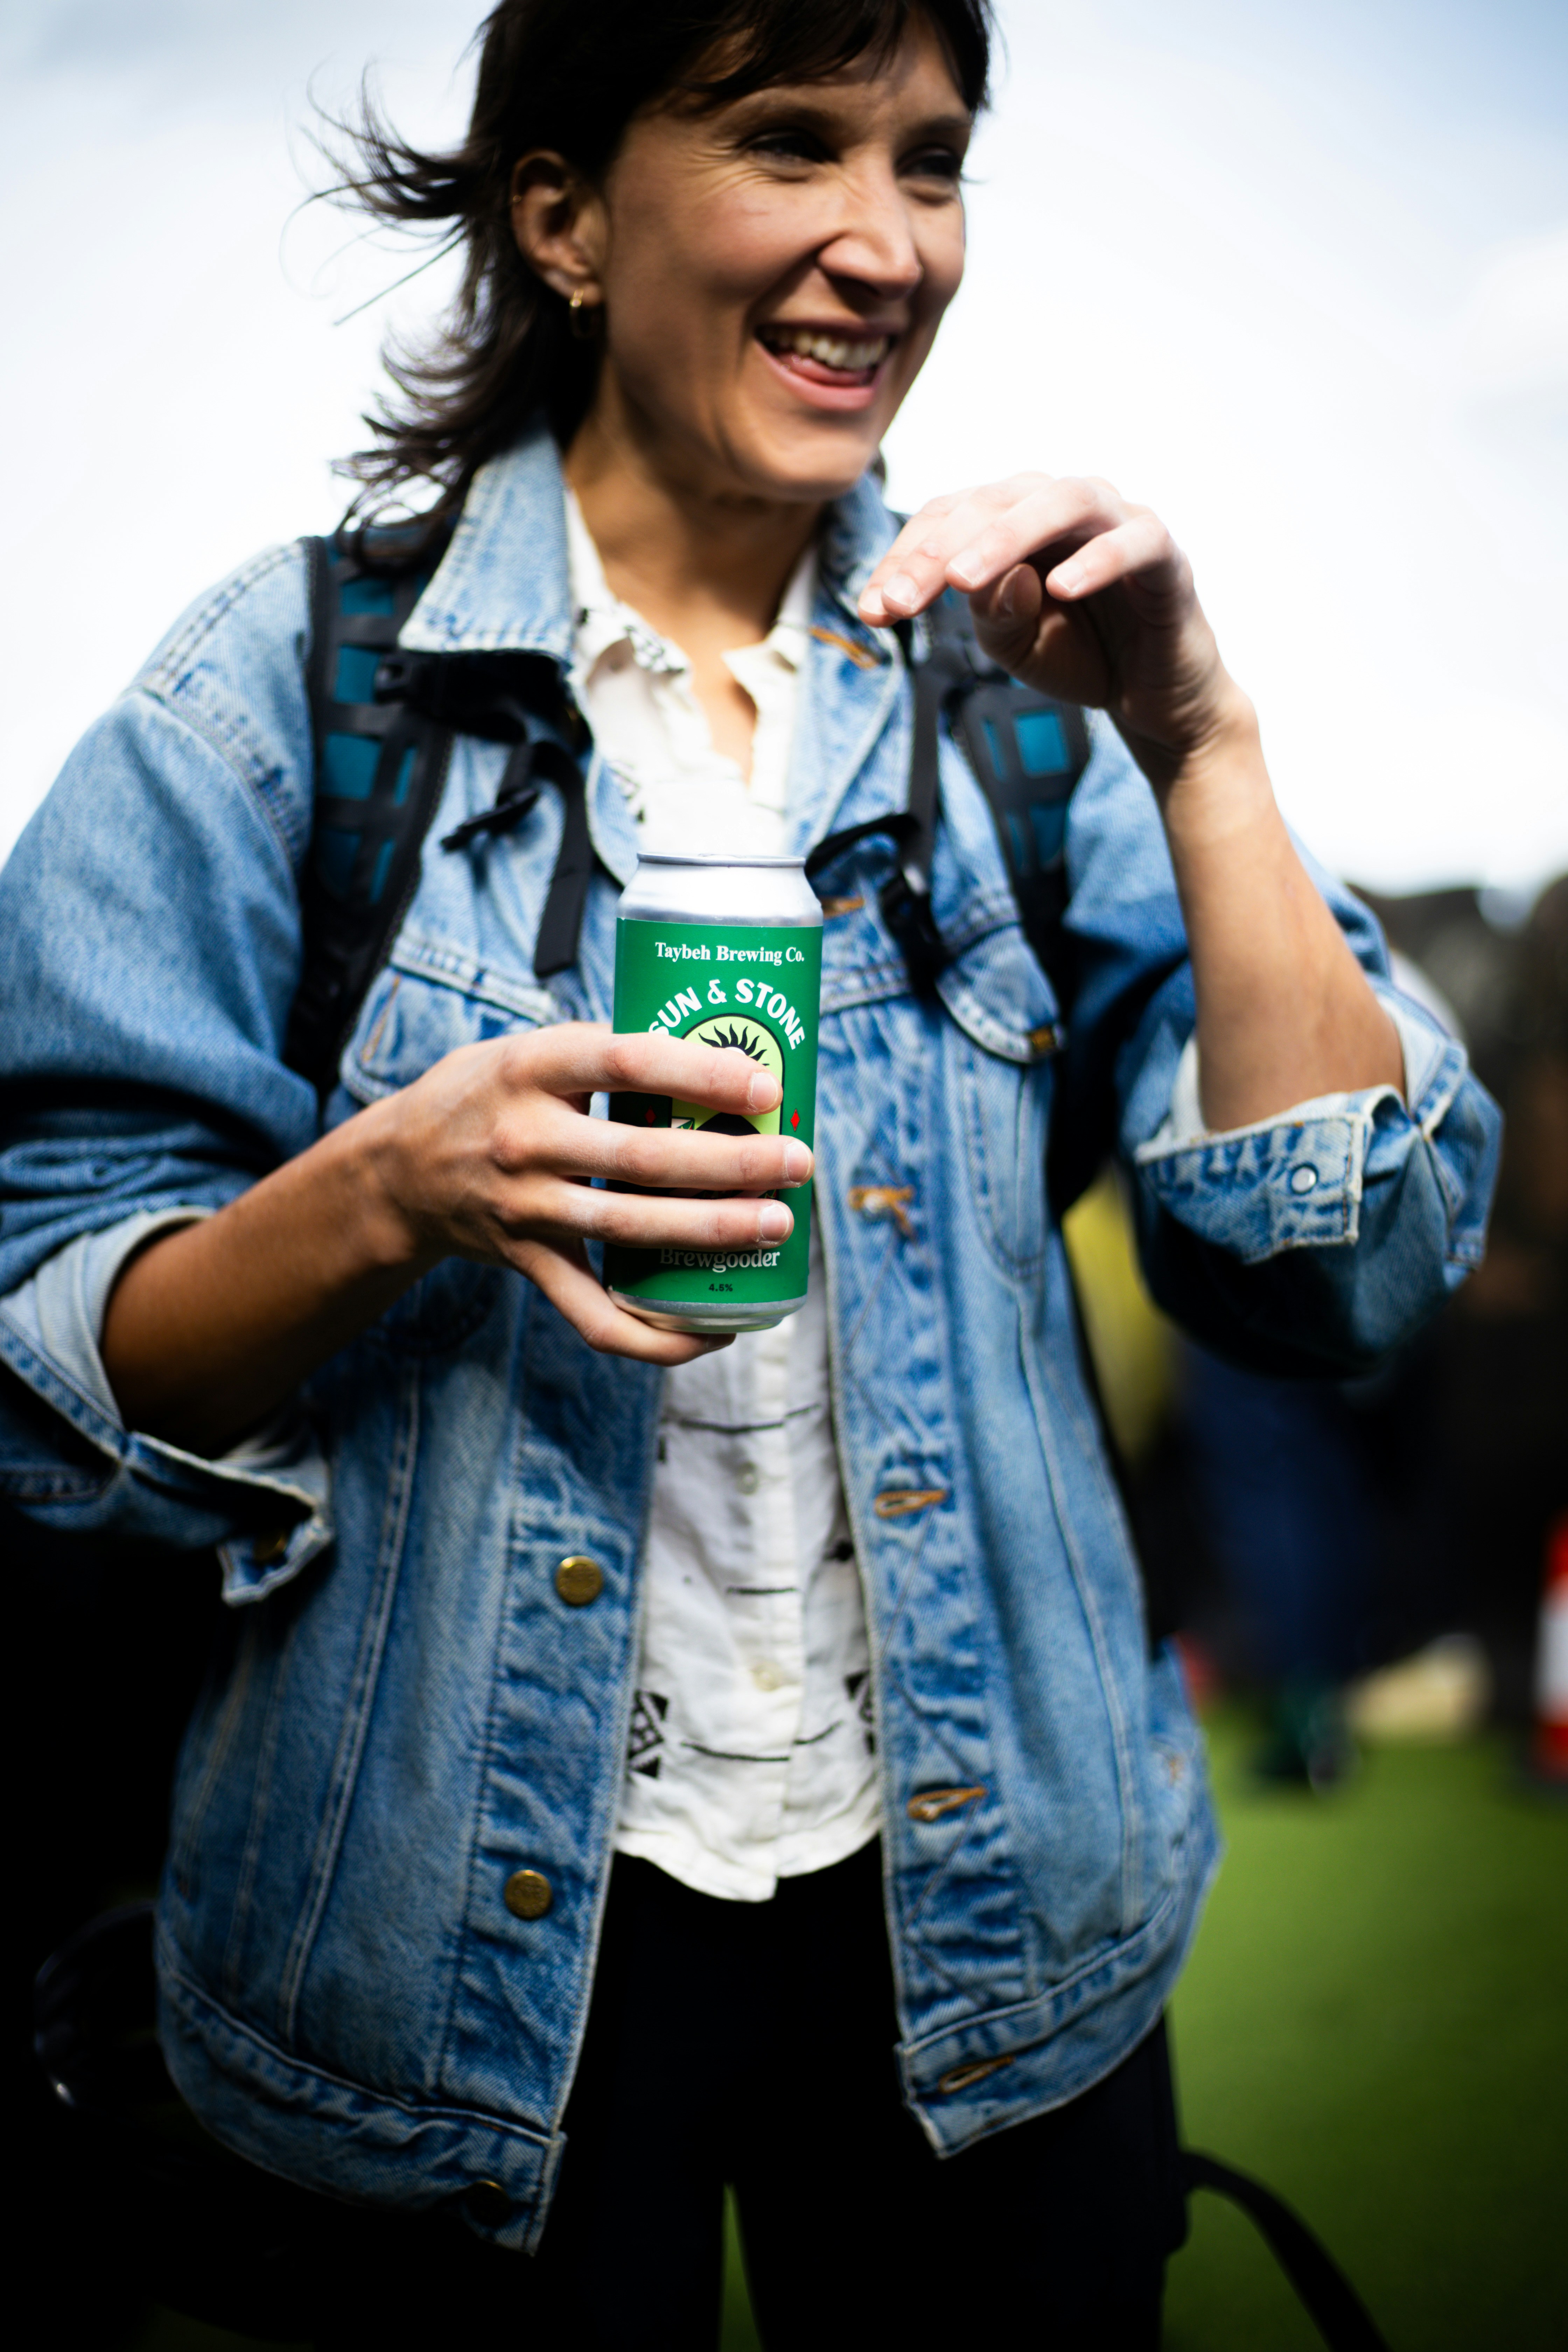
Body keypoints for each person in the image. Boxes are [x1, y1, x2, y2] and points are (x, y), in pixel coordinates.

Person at [0, 2, 1499, 2344]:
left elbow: (1344, 1272)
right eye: (790, 142)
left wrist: (1199, 732)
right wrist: (384, 1195)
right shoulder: (282, 699)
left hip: (993, 1947)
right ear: (566, 215)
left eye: (932, 158)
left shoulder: (1029, 711)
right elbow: (41, 1363)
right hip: (434, 1972)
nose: (885, 243)